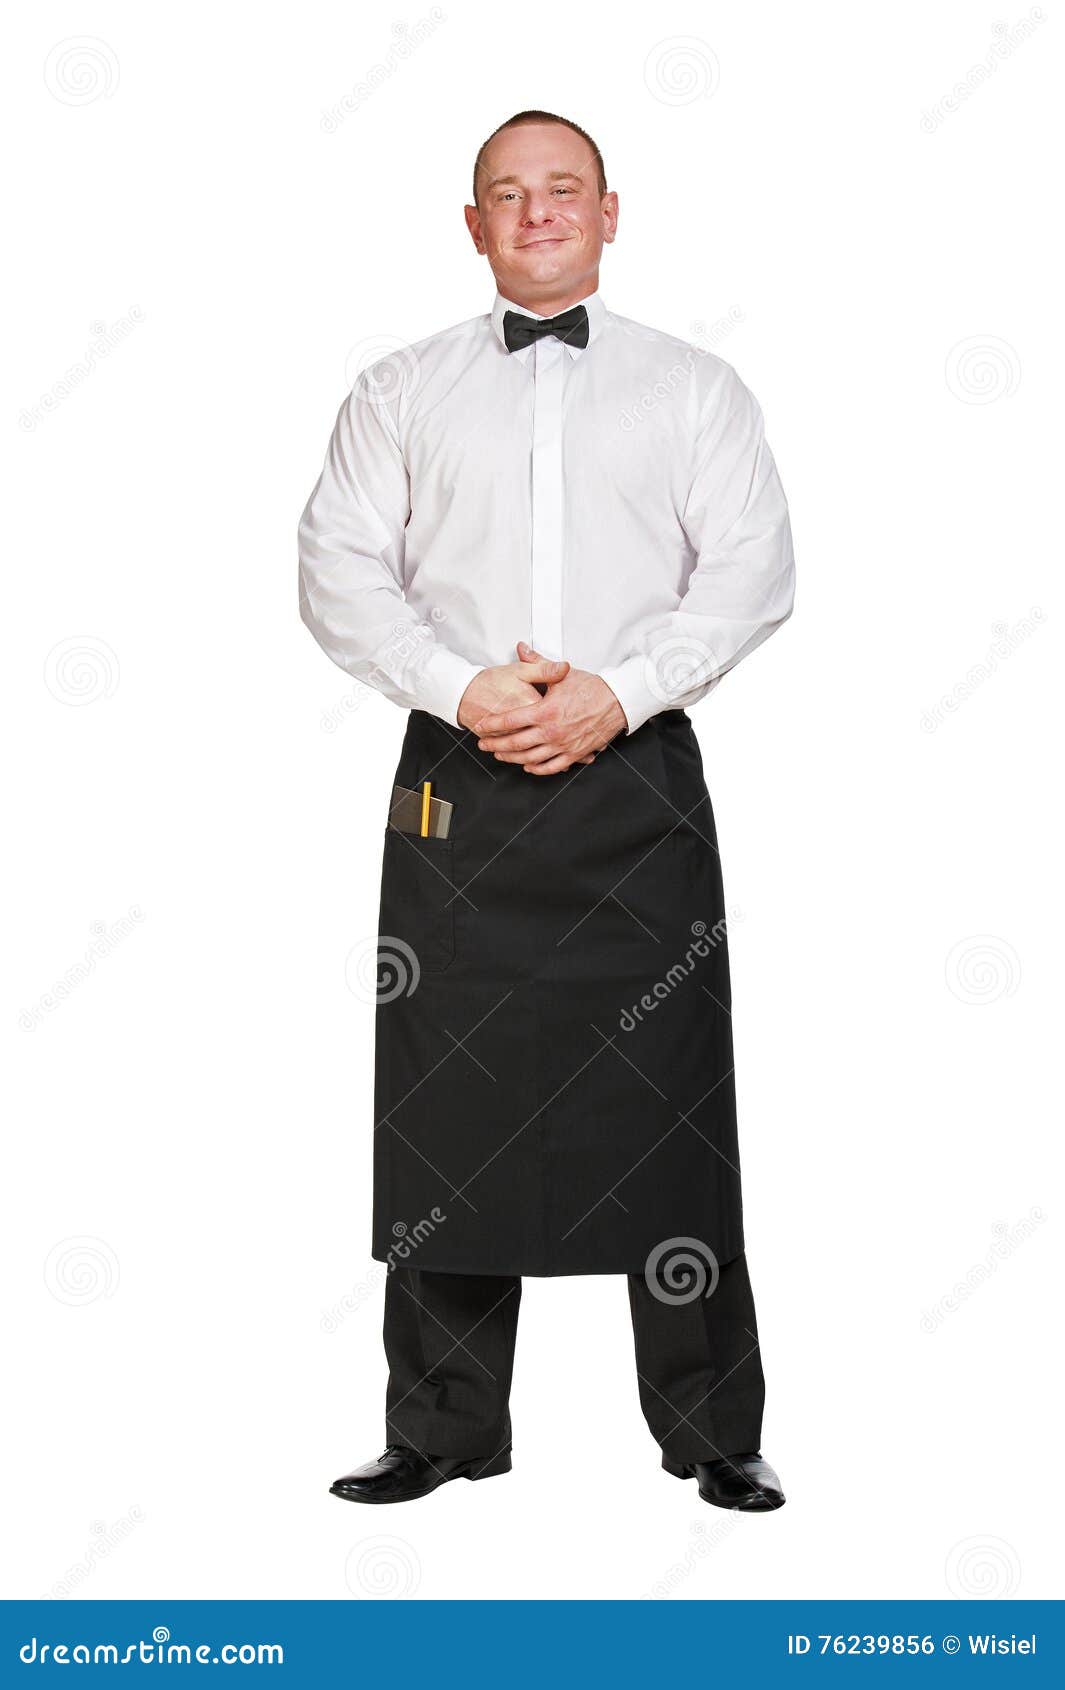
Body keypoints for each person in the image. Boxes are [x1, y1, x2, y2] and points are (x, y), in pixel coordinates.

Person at [298, 109, 794, 1510]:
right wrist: (466, 689)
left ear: (607, 212)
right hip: (457, 777)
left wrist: (615, 693)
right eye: (505, 195)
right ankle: (442, 1425)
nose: (534, 213)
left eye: (559, 189)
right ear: (472, 225)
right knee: (448, 1109)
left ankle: (710, 1429)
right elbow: (338, 569)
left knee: (670, 1105)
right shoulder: (395, 388)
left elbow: (751, 569)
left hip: (633, 775)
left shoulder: (696, 387)